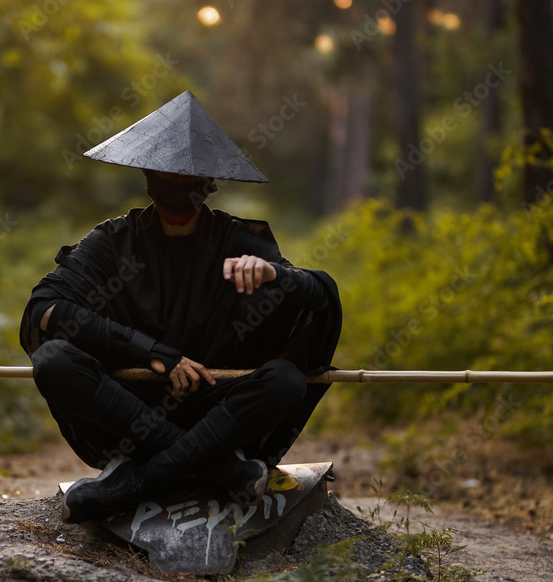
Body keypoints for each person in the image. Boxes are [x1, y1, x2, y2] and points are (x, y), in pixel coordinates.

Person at [20, 91, 342, 524]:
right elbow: (44, 306)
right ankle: (221, 470)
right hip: (130, 405)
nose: (174, 201)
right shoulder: (114, 241)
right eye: (163, 185)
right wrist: (151, 352)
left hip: (218, 408)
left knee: (285, 379)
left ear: (207, 188)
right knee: (54, 360)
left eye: (185, 188)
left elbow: (321, 294)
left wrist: (275, 274)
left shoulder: (236, 239)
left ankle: (133, 484)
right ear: (147, 181)